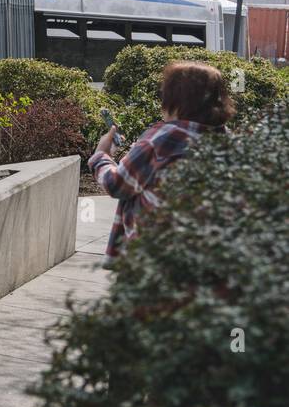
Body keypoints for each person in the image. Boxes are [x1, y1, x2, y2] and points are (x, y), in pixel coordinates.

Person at [90, 60, 234, 259]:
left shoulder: (163, 138)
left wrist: (101, 157)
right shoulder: (228, 138)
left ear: (175, 100)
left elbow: (118, 184)